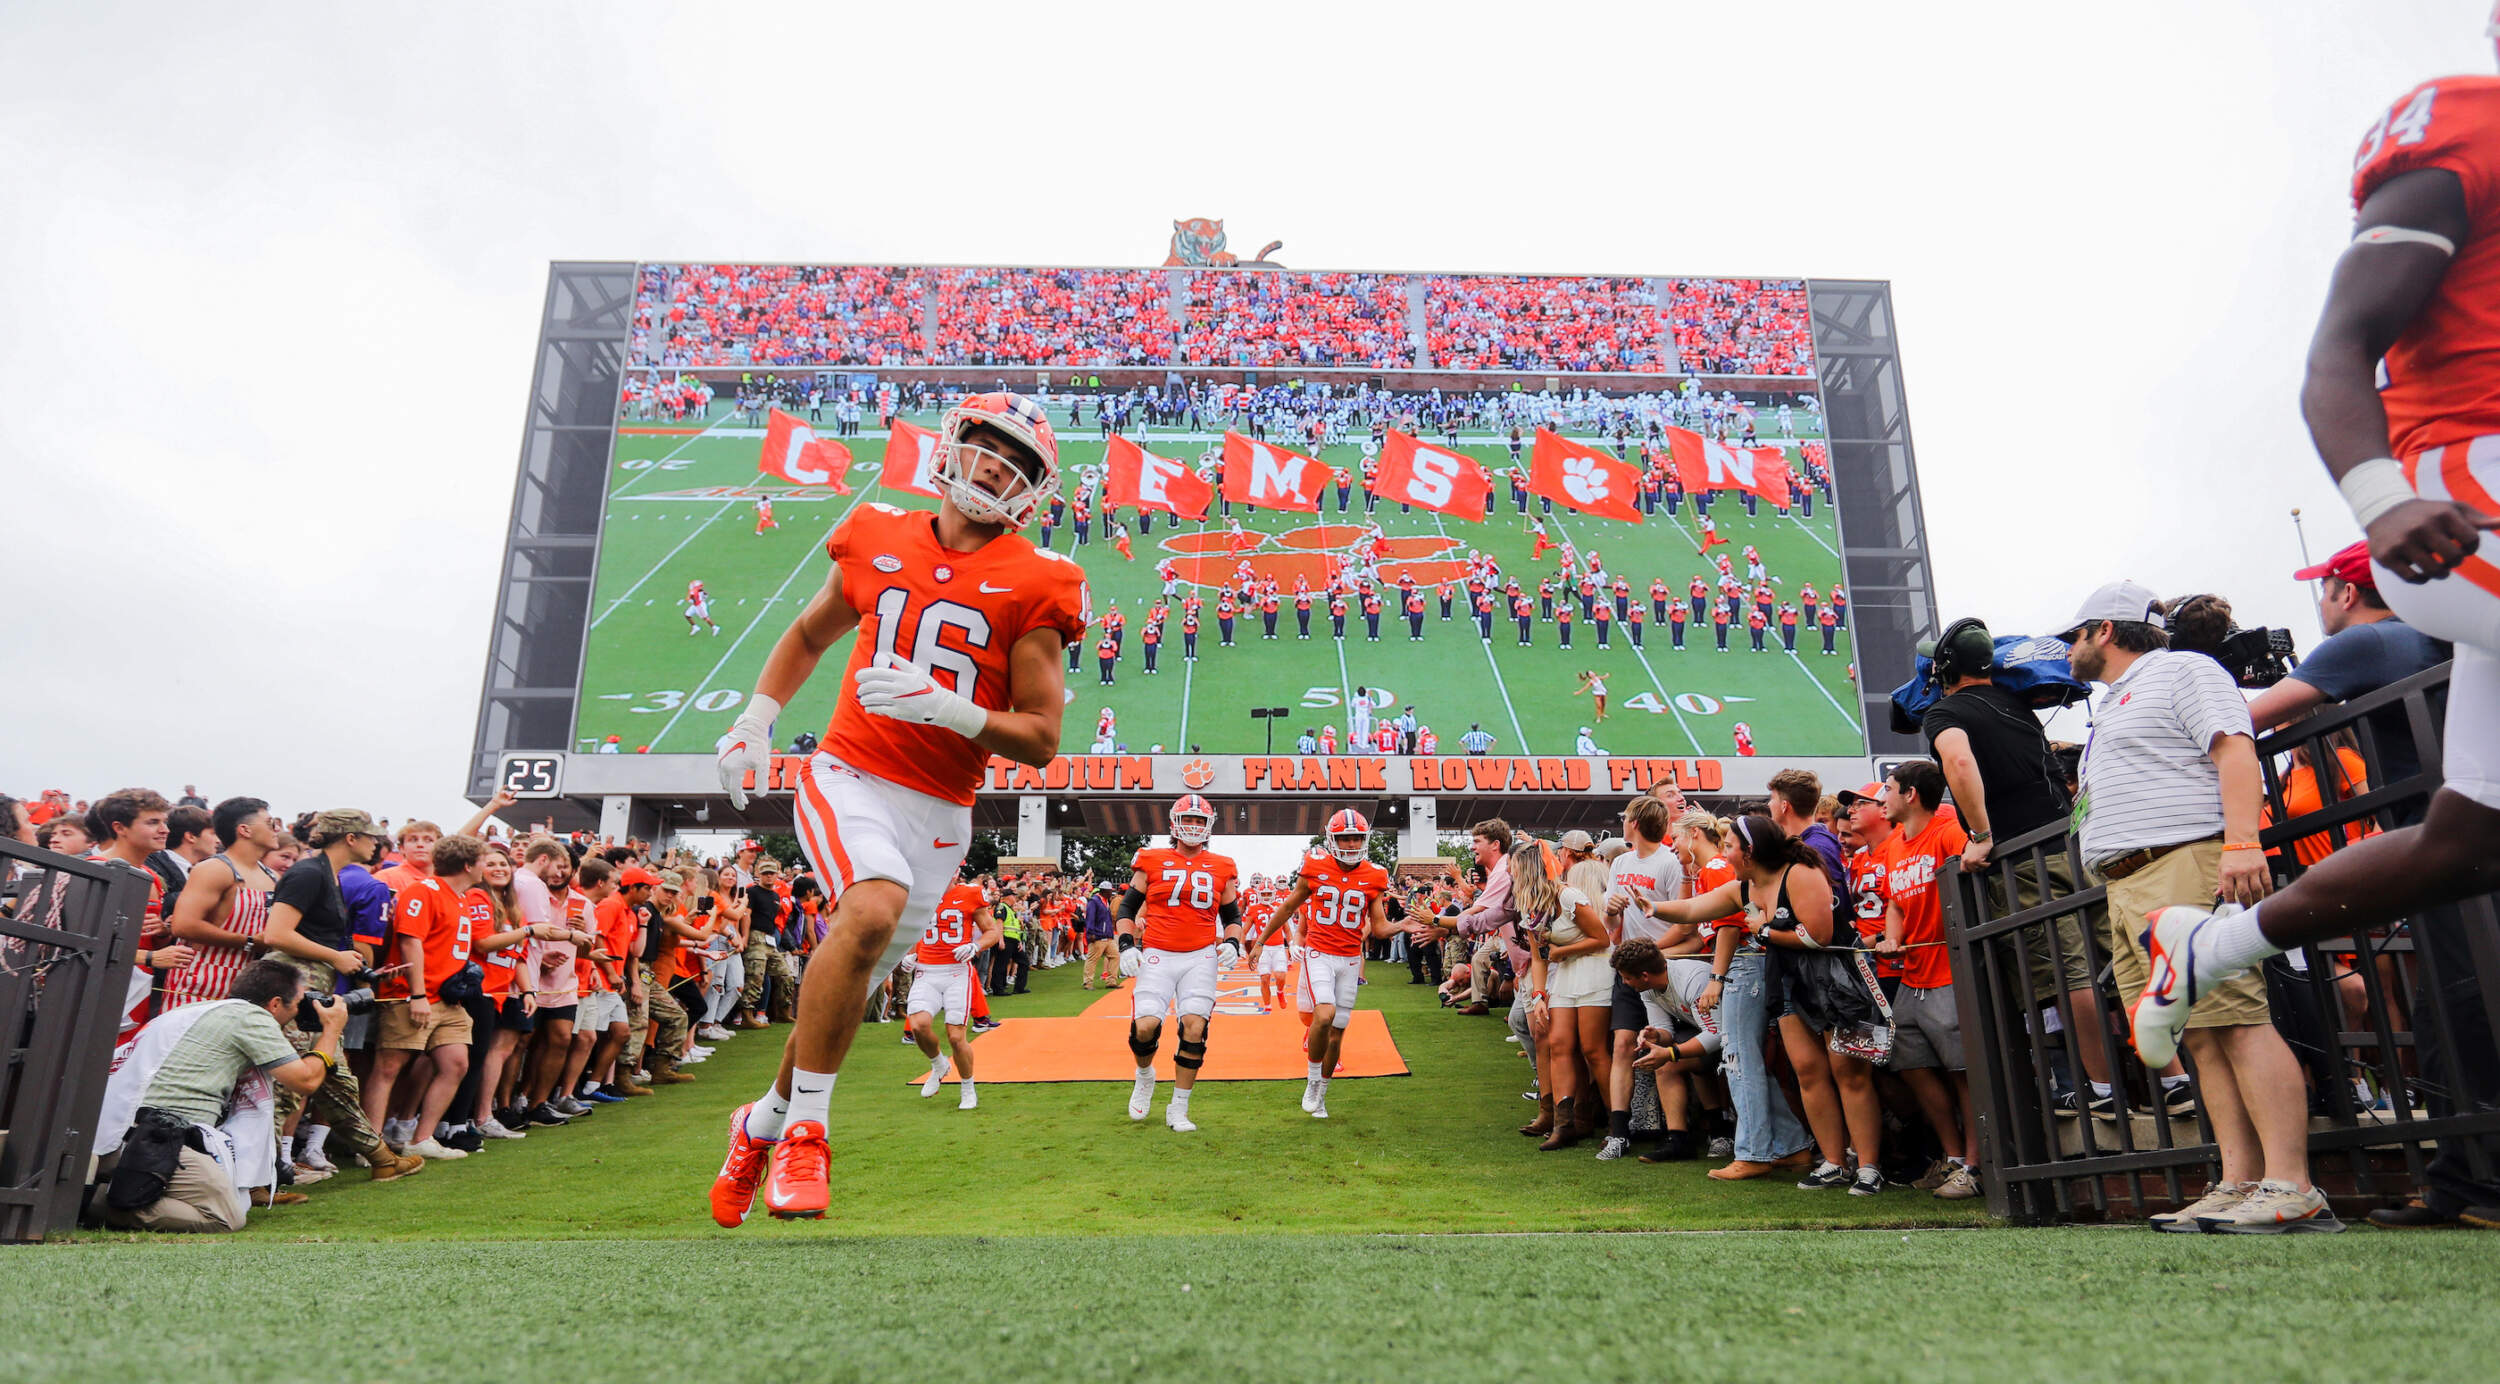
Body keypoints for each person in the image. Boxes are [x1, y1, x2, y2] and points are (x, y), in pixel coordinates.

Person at [2132, 50, 2500, 1230]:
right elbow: (2339, 343)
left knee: (2465, 841)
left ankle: (2211, 945)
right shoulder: (2470, 125)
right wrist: (2379, 496)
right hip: (2466, 487)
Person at [708, 391, 1084, 1223]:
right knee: (871, 908)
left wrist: (950, 709)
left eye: (1017, 463)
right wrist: (755, 721)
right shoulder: (878, 533)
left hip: (943, 812)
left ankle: (760, 1121)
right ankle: (807, 1133)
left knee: (846, 980)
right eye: (987, 448)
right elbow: (810, 633)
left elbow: (1041, 738)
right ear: (952, 446)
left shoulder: (1039, 579)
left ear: (1034, 489)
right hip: (850, 771)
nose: (996, 469)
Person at [2053, 583, 2327, 1232]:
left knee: (2237, 1019)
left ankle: (2292, 1184)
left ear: (2107, 630)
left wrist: (2242, 842)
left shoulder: (2183, 669)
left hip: (2183, 861)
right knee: (2199, 1034)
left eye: (2075, 634)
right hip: (2131, 880)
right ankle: (2239, 1182)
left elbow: (2234, 748)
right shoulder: (2120, 696)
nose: (2068, 648)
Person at [1918, 618, 2113, 1111]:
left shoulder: (1945, 711)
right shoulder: (2016, 702)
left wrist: (1982, 836)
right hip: (2072, 843)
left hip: (2026, 858)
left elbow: (1960, 762)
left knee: (2069, 975)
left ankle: (2105, 1090)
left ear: (1945, 668)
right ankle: (2171, 1078)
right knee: (2115, 962)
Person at [93, 958, 349, 1232]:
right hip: (159, 1140)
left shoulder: (195, 1009)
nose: (300, 1012)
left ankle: (107, 1187)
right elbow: (306, 1080)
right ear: (275, 1004)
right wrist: (332, 1029)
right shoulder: (252, 1017)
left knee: (213, 1196)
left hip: (114, 1132)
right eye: (298, 1004)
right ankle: (91, 1202)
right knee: (225, 1217)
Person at [1644, 815, 1814, 1181]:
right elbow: (1697, 914)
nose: (1673, 846)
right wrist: (1654, 908)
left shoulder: (1717, 869)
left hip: (1745, 967)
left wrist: (1716, 978)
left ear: (1694, 834)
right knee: (1746, 1061)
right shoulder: (1721, 872)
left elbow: (1730, 927)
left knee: (1738, 1060)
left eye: (1676, 838)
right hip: (1748, 966)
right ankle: (1791, 1146)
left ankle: (1754, 1153)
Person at [1116, 794, 1245, 1131]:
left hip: (1200, 955)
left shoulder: (1223, 865)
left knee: (1194, 1026)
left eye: (1200, 820)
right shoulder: (1151, 858)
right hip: (1158, 953)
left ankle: (1179, 1108)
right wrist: (1127, 944)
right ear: (1174, 823)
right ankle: (1145, 1074)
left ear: (1209, 826)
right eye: (1188, 819)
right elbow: (1127, 908)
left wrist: (1232, 942)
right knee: (1145, 1026)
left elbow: (1232, 916)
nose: (1193, 826)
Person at [362, 833, 488, 1163]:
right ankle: (371, 1145)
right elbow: (410, 942)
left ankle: (421, 1138)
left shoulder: (460, 897)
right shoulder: (424, 890)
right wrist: (417, 994)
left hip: (448, 998)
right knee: (389, 1067)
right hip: (411, 995)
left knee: (456, 1063)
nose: (485, 868)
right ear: (468, 864)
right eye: (483, 861)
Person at [1260, 810, 1394, 1120]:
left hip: (1350, 959)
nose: (1351, 844)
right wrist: (1261, 941)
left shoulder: (1375, 875)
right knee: (1323, 1015)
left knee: (1337, 1034)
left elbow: (1380, 926)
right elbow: (1288, 907)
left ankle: (1321, 1092)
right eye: (1345, 838)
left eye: (1356, 838)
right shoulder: (1315, 866)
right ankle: (1311, 1078)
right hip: (1319, 953)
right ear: (1332, 840)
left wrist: (1407, 925)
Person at [1596, 794, 1685, 1160]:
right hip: (1629, 968)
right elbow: (1611, 926)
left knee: (1670, 1048)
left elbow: (1684, 921)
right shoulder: (1620, 862)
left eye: (1625, 818)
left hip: (1662, 968)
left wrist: (1650, 953)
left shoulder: (1670, 863)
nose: (1622, 823)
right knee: (1621, 1044)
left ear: (1633, 823)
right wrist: (1612, 911)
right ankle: (1619, 1131)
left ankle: (1701, 1129)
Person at [1518, 844, 1614, 1151]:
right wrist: (1539, 995)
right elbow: (1538, 958)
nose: (1511, 877)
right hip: (1566, 973)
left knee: (1592, 1049)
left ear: (1529, 872)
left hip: (1595, 967)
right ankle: (1564, 1123)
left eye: (1515, 871)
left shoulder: (1568, 896)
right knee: (1557, 1043)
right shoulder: (1531, 908)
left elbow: (1602, 939)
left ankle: (1617, 1122)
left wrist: (1562, 951)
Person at [903, 879, 998, 1119]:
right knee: (918, 1025)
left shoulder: (970, 893)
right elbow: (915, 930)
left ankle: (968, 1087)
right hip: (926, 971)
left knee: (956, 1037)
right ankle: (939, 1064)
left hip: (956, 972)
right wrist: (910, 954)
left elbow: (992, 931)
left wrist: (975, 946)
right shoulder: (920, 892)